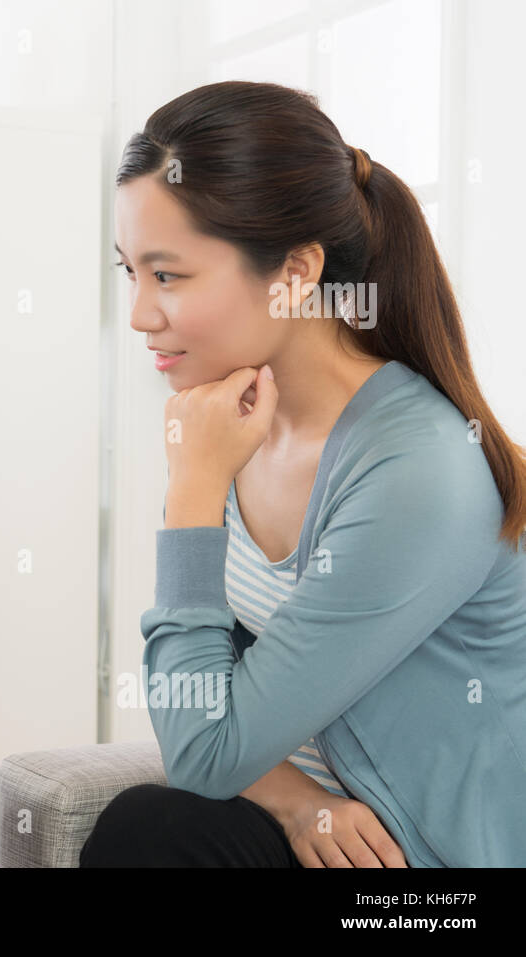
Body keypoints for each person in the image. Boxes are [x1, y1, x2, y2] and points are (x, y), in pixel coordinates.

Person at [83, 81, 526, 867]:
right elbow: (204, 714)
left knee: (152, 833)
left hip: (424, 868)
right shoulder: (230, 422)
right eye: (131, 273)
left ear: (295, 272)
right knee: (149, 829)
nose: (141, 315)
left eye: (169, 275)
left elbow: (203, 749)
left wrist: (190, 492)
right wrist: (296, 801)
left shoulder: (417, 469)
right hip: (326, 830)